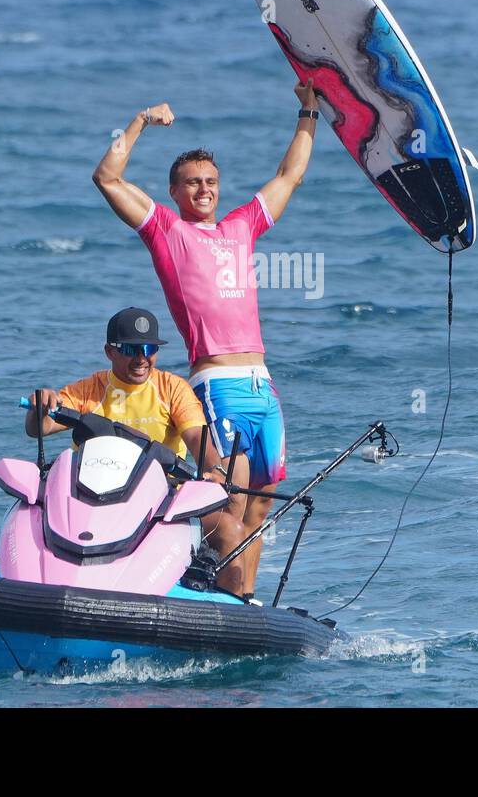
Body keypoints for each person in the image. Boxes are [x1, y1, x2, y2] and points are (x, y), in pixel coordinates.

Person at [91, 79, 320, 601]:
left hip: (262, 385)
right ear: (175, 192)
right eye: (192, 183)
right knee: (227, 502)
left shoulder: (242, 226)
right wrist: (141, 120)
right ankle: (214, 599)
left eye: (211, 181)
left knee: (261, 504)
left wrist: (308, 111)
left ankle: (245, 602)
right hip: (217, 384)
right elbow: (107, 177)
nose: (204, 190)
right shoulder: (166, 232)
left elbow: (291, 174)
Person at [25, 306, 246, 592]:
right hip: (91, 504)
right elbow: (38, 428)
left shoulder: (173, 389)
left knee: (231, 530)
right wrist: (39, 406)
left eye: (149, 349)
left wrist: (213, 470)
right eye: (131, 349)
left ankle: (230, 608)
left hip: (163, 505)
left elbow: (197, 438)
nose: (142, 359)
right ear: (110, 352)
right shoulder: (88, 390)